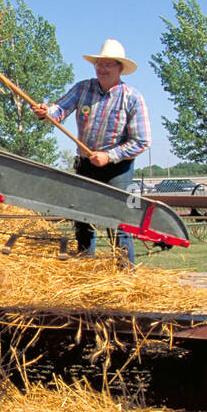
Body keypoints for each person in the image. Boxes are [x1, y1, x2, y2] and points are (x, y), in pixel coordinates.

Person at [32, 39, 151, 263]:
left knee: (119, 221)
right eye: (99, 65)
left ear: (120, 68)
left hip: (118, 169)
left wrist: (110, 156)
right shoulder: (82, 88)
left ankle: (125, 271)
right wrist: (46, 111)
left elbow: (142, 141)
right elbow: (60, 109)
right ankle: (86, 265)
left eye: (108, 65)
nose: (103, 69)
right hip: (86, 164)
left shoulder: (132, 98)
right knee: (81, 217)